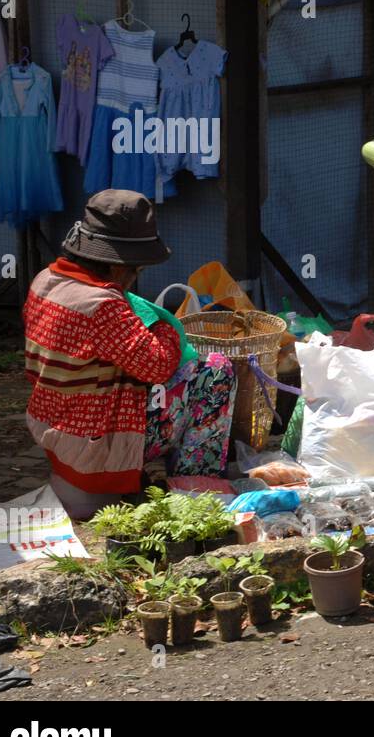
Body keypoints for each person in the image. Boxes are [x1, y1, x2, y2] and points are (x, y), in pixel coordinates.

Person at [23, 190, 235, 519]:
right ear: (116, 263)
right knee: (215, 370)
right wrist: (166, 323)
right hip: (92, 444)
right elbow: (159, 366)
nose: (135, 276)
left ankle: (147, 481)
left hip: (53, 427)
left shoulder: (44, 281)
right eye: (134, 268)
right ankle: (194, 487)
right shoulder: (101, 305)